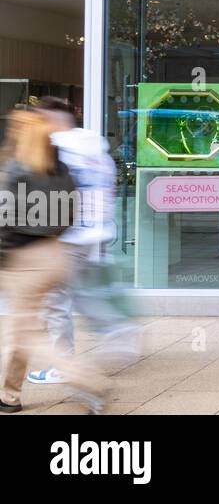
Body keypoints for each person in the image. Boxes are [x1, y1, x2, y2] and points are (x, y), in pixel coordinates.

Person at [0, 110, 110, 414]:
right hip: (54, 253)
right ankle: (9, 395)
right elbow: (72, 212)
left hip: (23, 260)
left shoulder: (17, 171)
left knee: (29, 333)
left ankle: (87, 380)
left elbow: (4, 221)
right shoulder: (60, 169)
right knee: (23, 329)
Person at [27, 97, 133, 386]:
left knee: (57, 301)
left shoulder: (57, 149)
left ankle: (64, 363)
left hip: (67, 237)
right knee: (86, 292)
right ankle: (116, 330)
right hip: (95, 233)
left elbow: (49, 196)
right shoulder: (97, 151)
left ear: (51, 120)